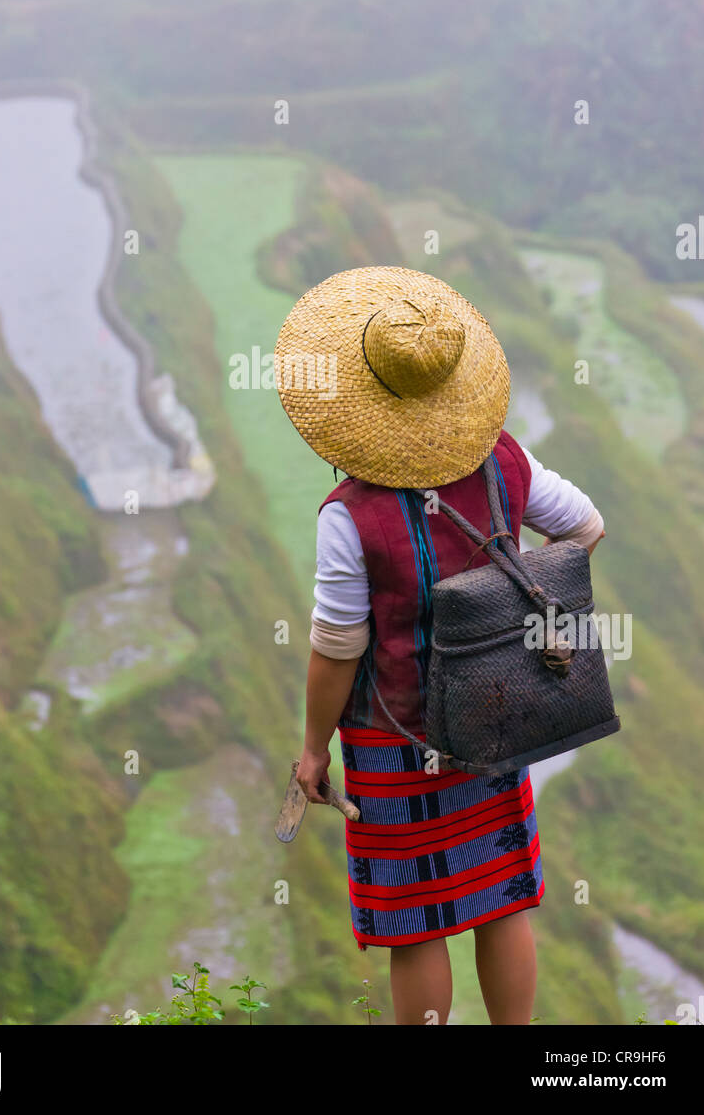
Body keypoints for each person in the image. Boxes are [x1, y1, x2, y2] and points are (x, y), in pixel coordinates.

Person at [274, 266, 604, 1026]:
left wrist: (313, 750)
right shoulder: (505, 464)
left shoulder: (350, 515)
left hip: (395, 740)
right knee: (502, 898)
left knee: (416, 921)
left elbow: (337, 646)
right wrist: (527, 599)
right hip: (499, 715)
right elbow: (585, 527)